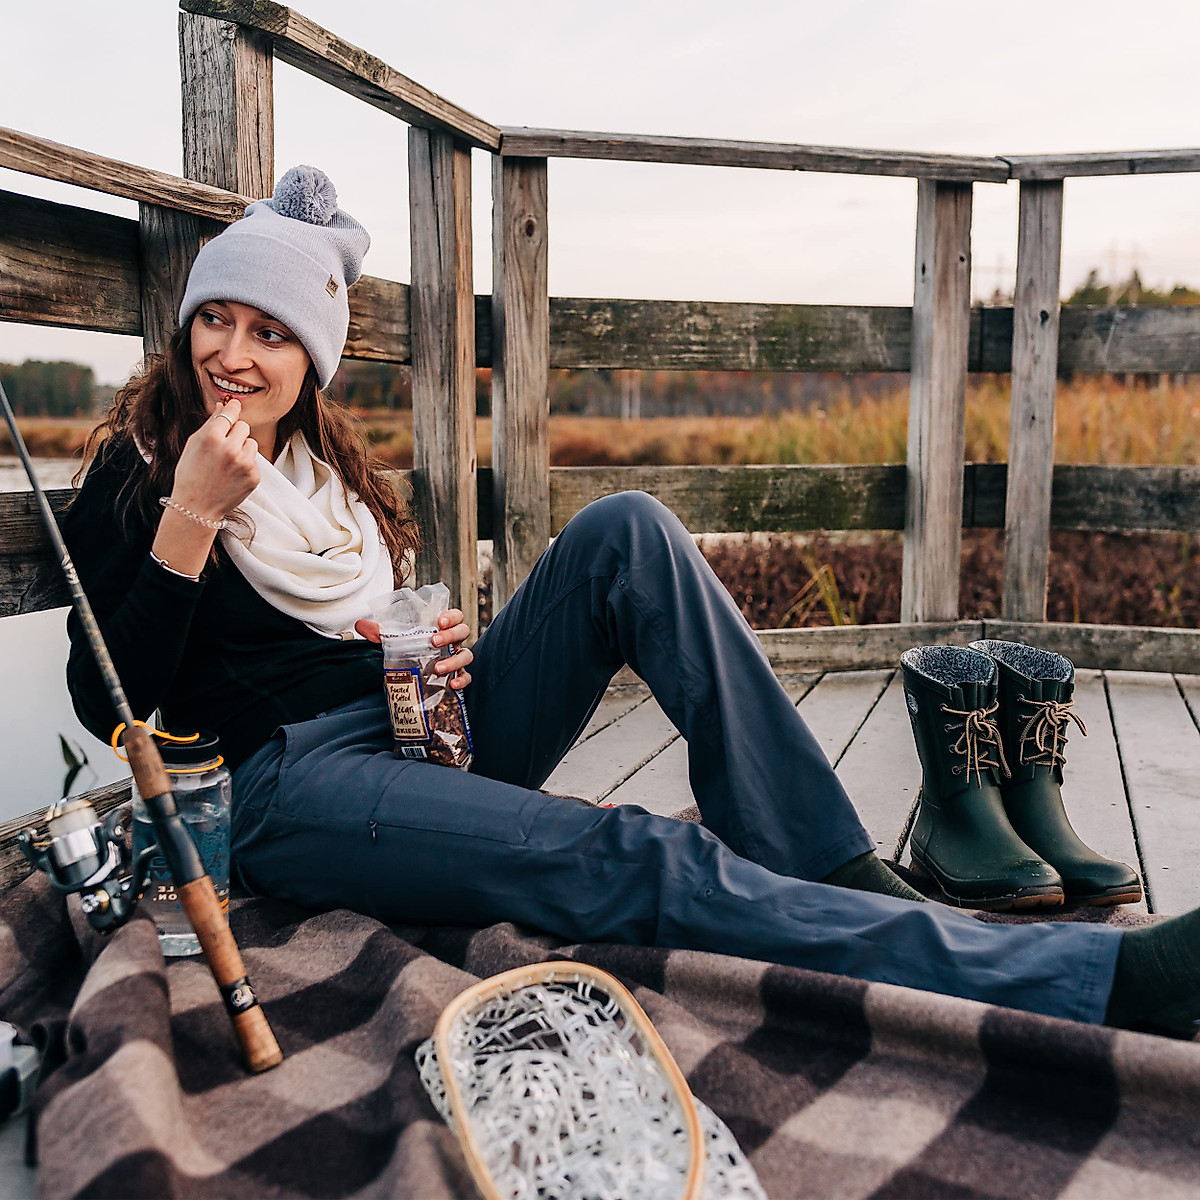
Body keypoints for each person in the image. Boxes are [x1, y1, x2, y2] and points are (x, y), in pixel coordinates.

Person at [63, 166, 1200, 1038]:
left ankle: (829, 865)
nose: (234, 355)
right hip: (284, 787)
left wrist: (432, 651)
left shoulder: (326, 483)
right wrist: (191, 517)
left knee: (628, 529)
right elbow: (105, 696)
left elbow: (350, 642)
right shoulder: (142, 466)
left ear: (312, 359)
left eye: (271, 333)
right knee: (641, 856)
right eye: (218, 319)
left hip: (413, 737)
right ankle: (1093, 981)